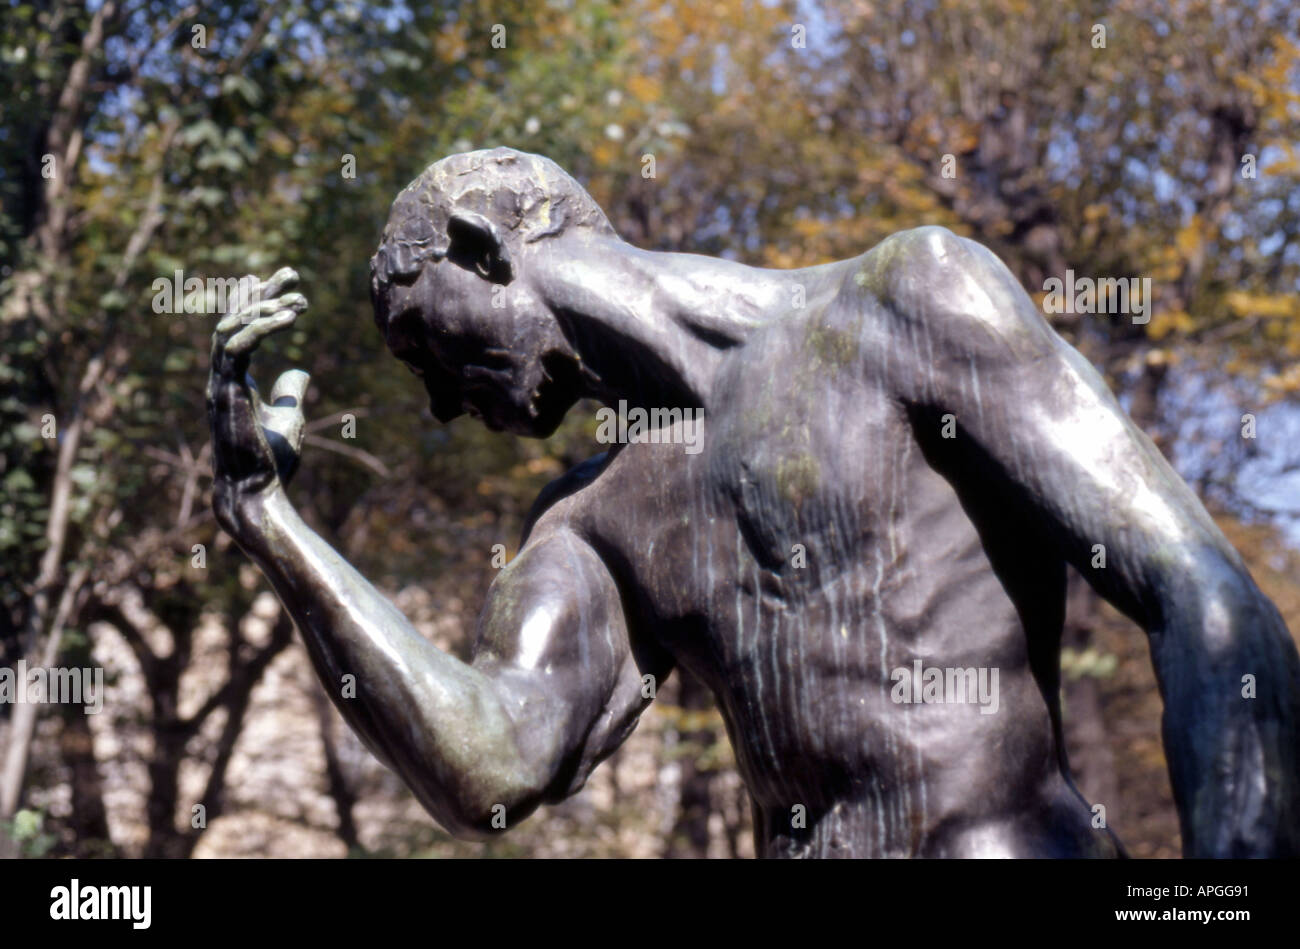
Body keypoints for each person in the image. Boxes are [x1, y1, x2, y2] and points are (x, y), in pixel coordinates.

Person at [207, 147, 1300, 857]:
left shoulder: (907, 300)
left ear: (484, 252)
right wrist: (271, 522)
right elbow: (487, 769)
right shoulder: (587, 522)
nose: (441, 403)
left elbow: (1204, 600)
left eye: (424, 341)